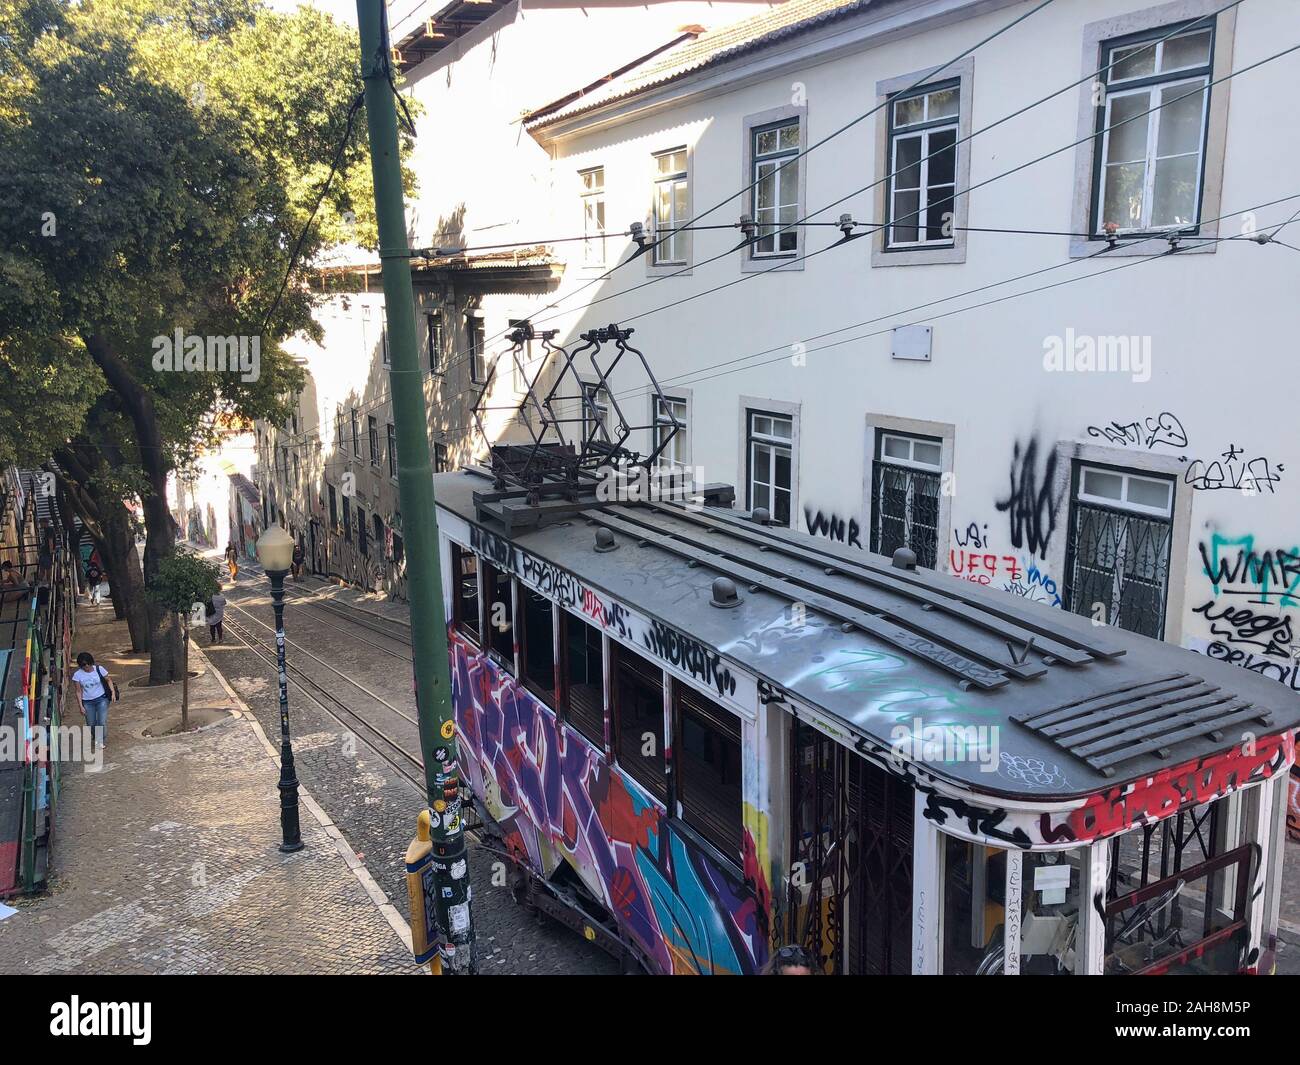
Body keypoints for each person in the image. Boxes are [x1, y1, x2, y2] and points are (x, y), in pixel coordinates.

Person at [71, 651, 114, 755]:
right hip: (87, 701)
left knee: (101, 721)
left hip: (101, 698)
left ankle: (100, 740)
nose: (86, 667)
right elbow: (78, 691)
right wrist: (81, 706)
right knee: (91, 723)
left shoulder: (99, 669)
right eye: (84, 665)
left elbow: (109, 680)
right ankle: (96, 736)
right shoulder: (77, 675)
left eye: (88, 664)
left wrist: (112, 693)